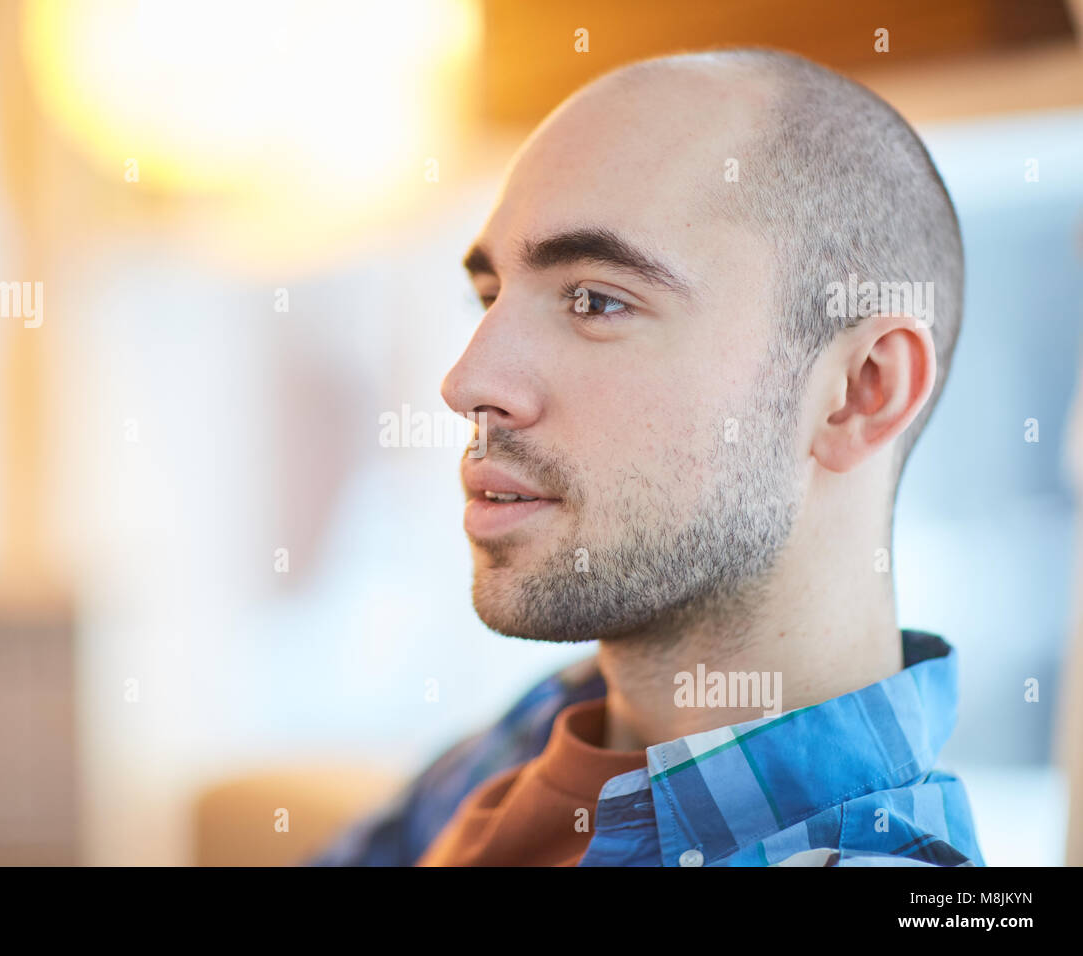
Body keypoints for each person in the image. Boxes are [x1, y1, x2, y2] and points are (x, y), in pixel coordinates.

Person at [311, 47, 984, 867]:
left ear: (860, 392)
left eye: (596, 300)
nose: (466, 383)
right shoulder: (544, 733)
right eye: (491, 297)